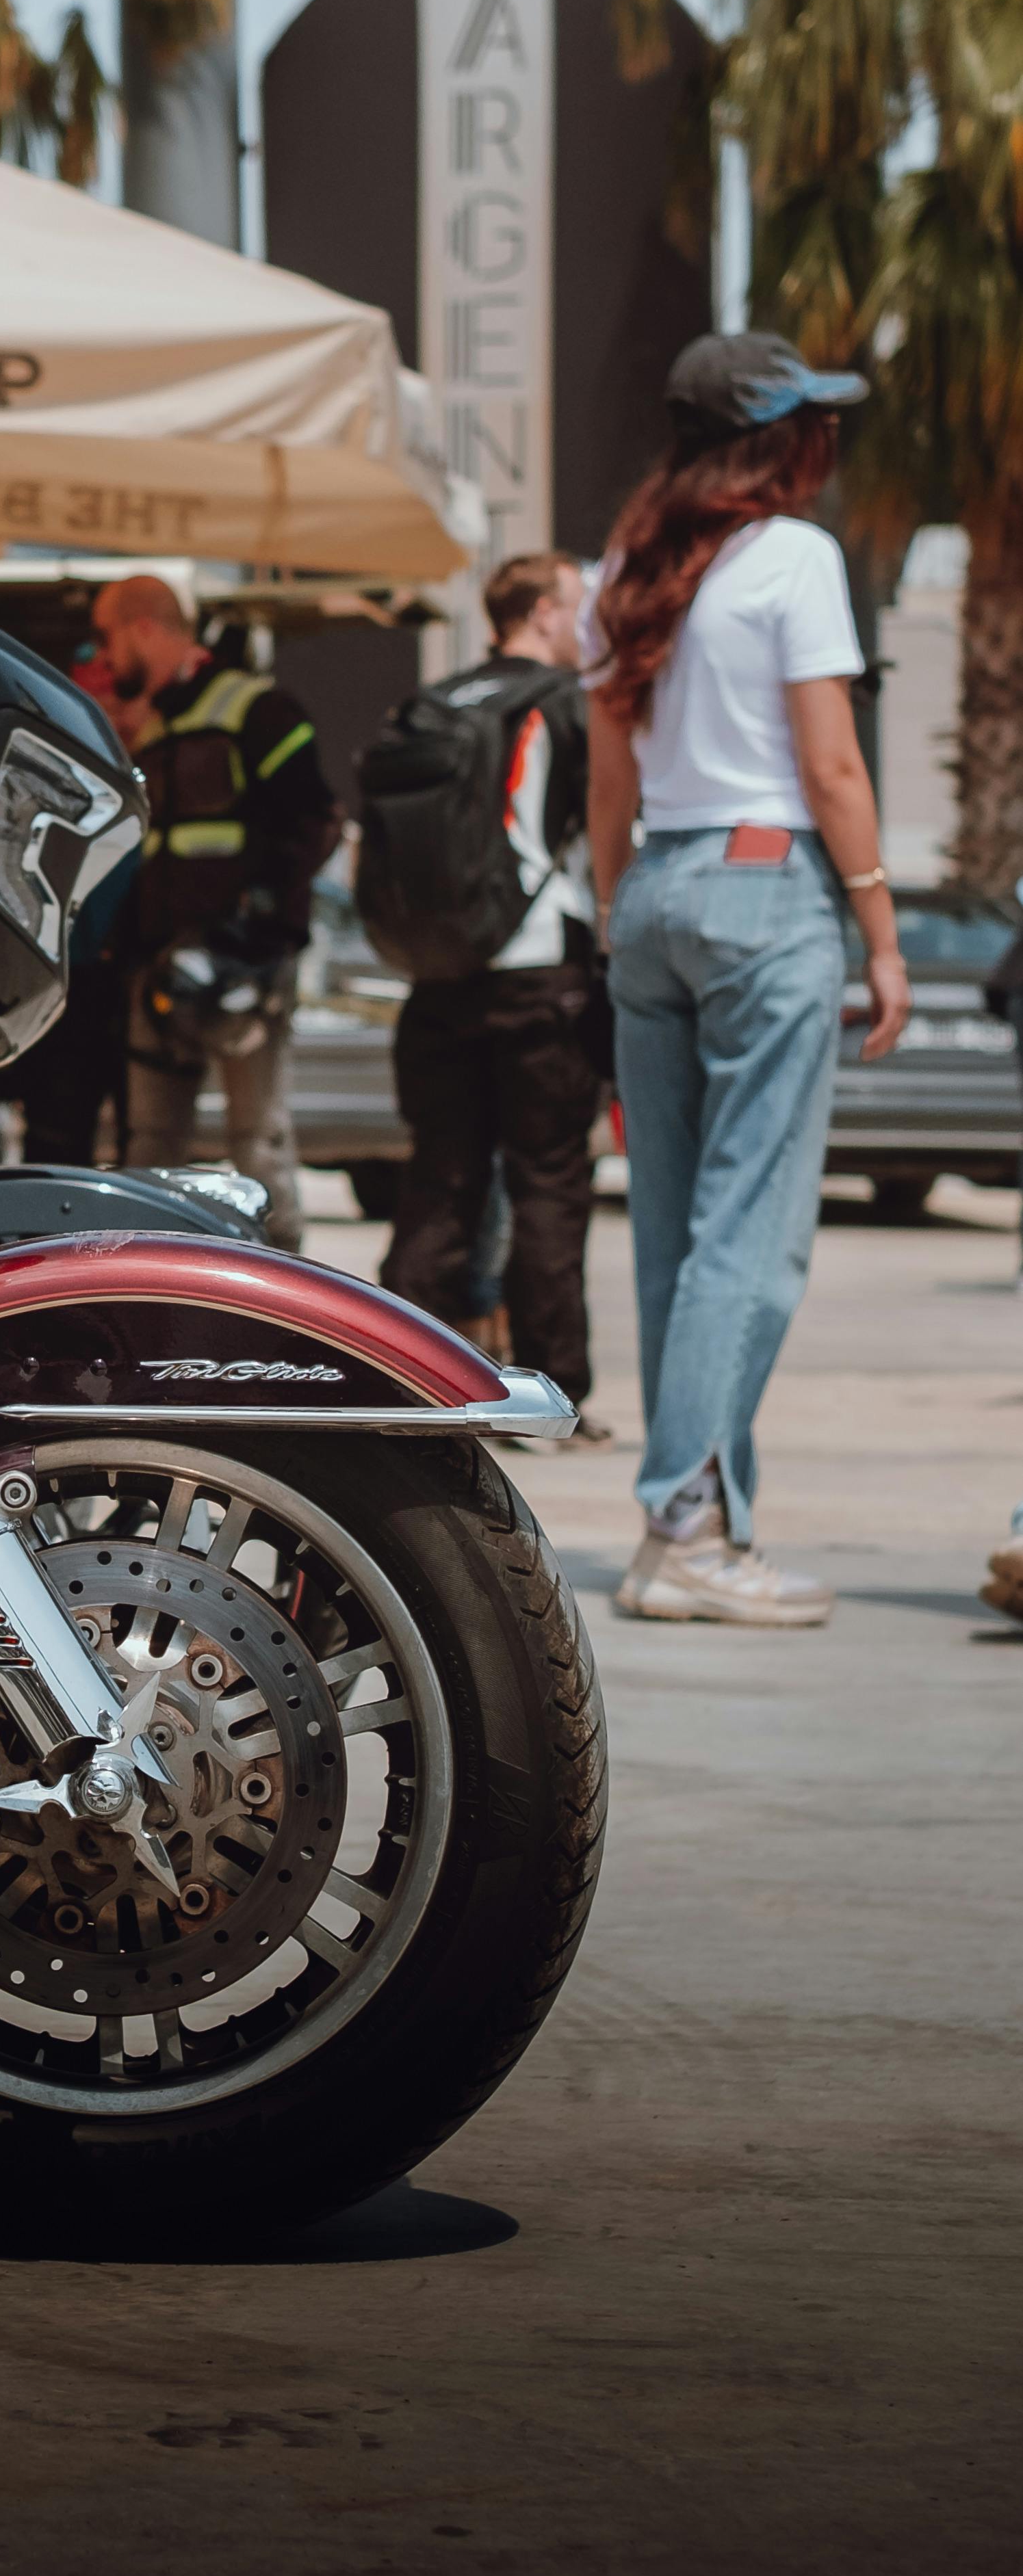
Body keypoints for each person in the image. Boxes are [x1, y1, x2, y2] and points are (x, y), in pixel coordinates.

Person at [584, 332, 909, 1628]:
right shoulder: (795, 558)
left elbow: (612, 773)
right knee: (755, 1240)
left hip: (655, 888)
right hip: (767, 885)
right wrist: (880, 930)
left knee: (675, 1232)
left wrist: (619, 912)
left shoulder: (632, 563)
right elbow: (832, 766)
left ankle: (699, 1517)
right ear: (781, 441)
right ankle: (686, 1528)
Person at [377, 551, 606, 1435]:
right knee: (548, 1183)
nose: (582, 624)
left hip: (440, 976)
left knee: (440, 1180)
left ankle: (393, 1378)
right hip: (540, 967)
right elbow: (604, 818)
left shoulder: (442, 701)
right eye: (576, 606)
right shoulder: (559, 702)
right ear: (544, 612)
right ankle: (552, 1393)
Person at [93, 573, 337, 1248]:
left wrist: (254, 932)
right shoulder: (153, 724)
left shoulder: (256, 709)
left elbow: (315, 824)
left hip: (242, 969)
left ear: (144, 628)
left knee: (256, 1138)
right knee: (147, 1146)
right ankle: (143, 1294)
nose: (102, 656)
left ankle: (291, 1300)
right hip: (158, 967)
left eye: (106, 636)